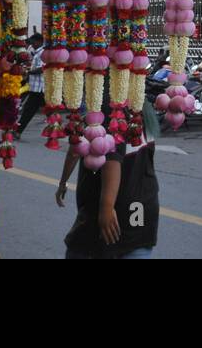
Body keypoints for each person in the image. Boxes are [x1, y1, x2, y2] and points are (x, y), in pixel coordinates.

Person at [56, 101, 160, 259]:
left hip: (114, 211)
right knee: (136, 246)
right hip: (143, 207)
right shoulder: (142, 106)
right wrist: (63, 181)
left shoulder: (110, 110)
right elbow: (76, 147)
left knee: (82, 250)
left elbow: (112, 161)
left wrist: (106, 208)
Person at [16, 32, 44, 139]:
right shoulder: (36, 52)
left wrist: (28, 72)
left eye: (34, 42)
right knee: (29, 110)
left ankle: (18, 131)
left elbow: (42, 69)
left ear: (40, 42)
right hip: (35, 88)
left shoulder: (42, 53)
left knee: (29, 110)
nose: (32, 45)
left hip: (39, 88)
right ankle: (18, 131)